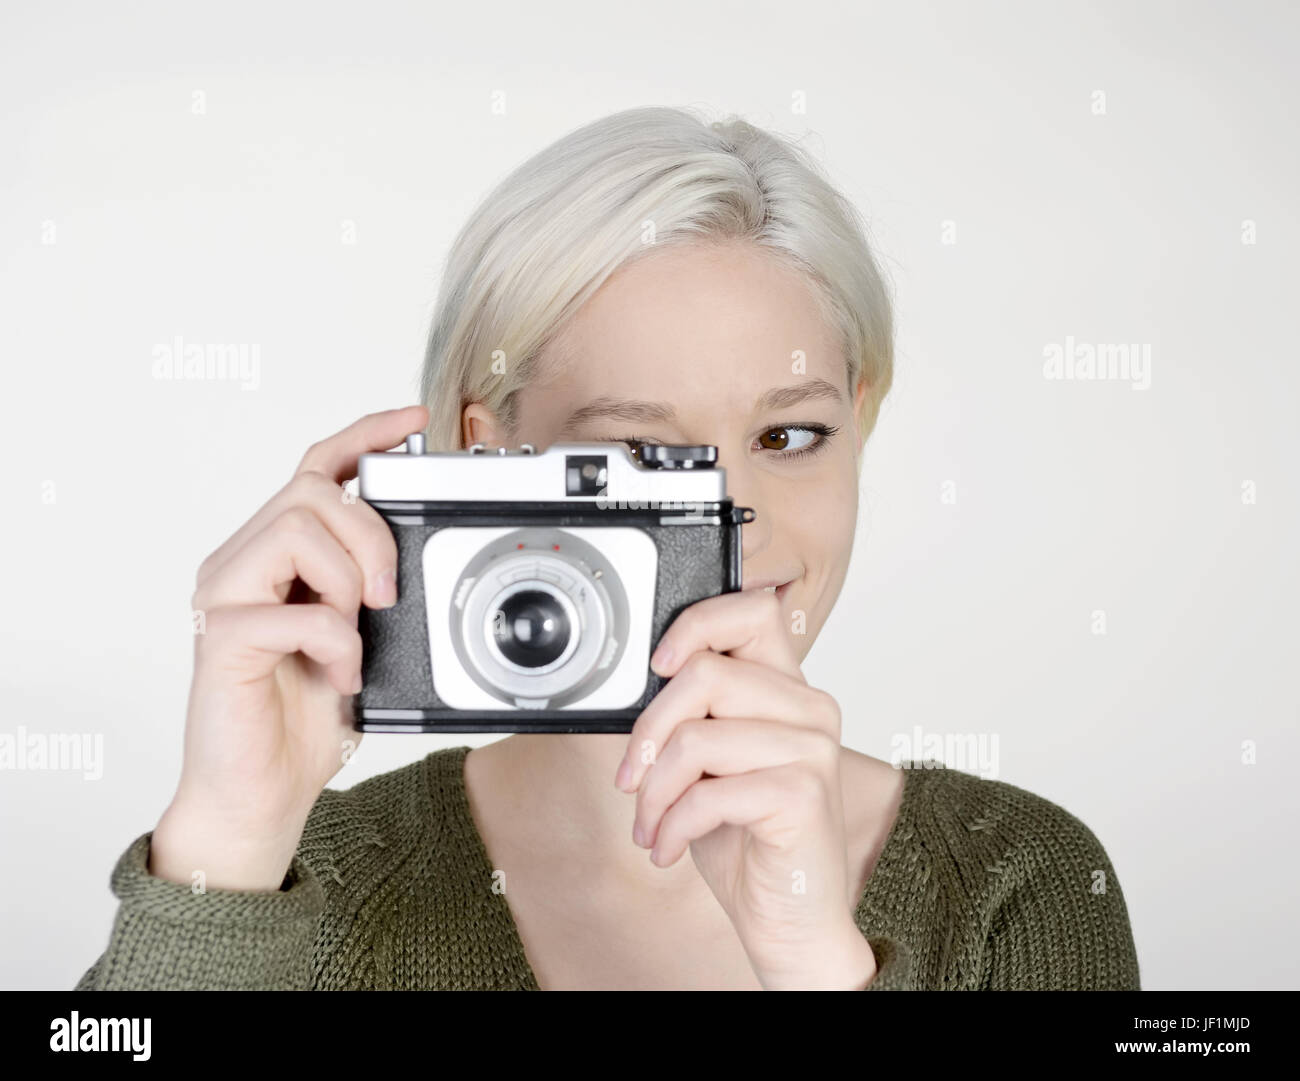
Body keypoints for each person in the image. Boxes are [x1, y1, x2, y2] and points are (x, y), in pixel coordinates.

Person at [76, 106, 1140, 991]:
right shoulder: (304, 887)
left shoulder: (1014, 882)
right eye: (640, 453)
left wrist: (817, 962)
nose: (732, 518)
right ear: (487, 458)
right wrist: (227, 839)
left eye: (789, 436)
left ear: (860, 418)